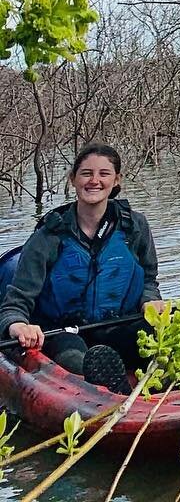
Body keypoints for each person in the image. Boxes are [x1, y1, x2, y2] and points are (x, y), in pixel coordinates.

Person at [0, 144, 160, 392]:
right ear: (73, 179)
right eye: (86, 173)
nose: (94, 181)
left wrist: (149, 302)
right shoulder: (48, 236)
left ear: (116, 180)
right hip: (62, 333)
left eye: (104, 174)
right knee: (79, 360)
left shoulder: (135, 226)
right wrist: (19, 325)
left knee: (159, 338)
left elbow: (149, 280)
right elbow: (16, 302)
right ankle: (110, 387)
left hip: (118, 326)